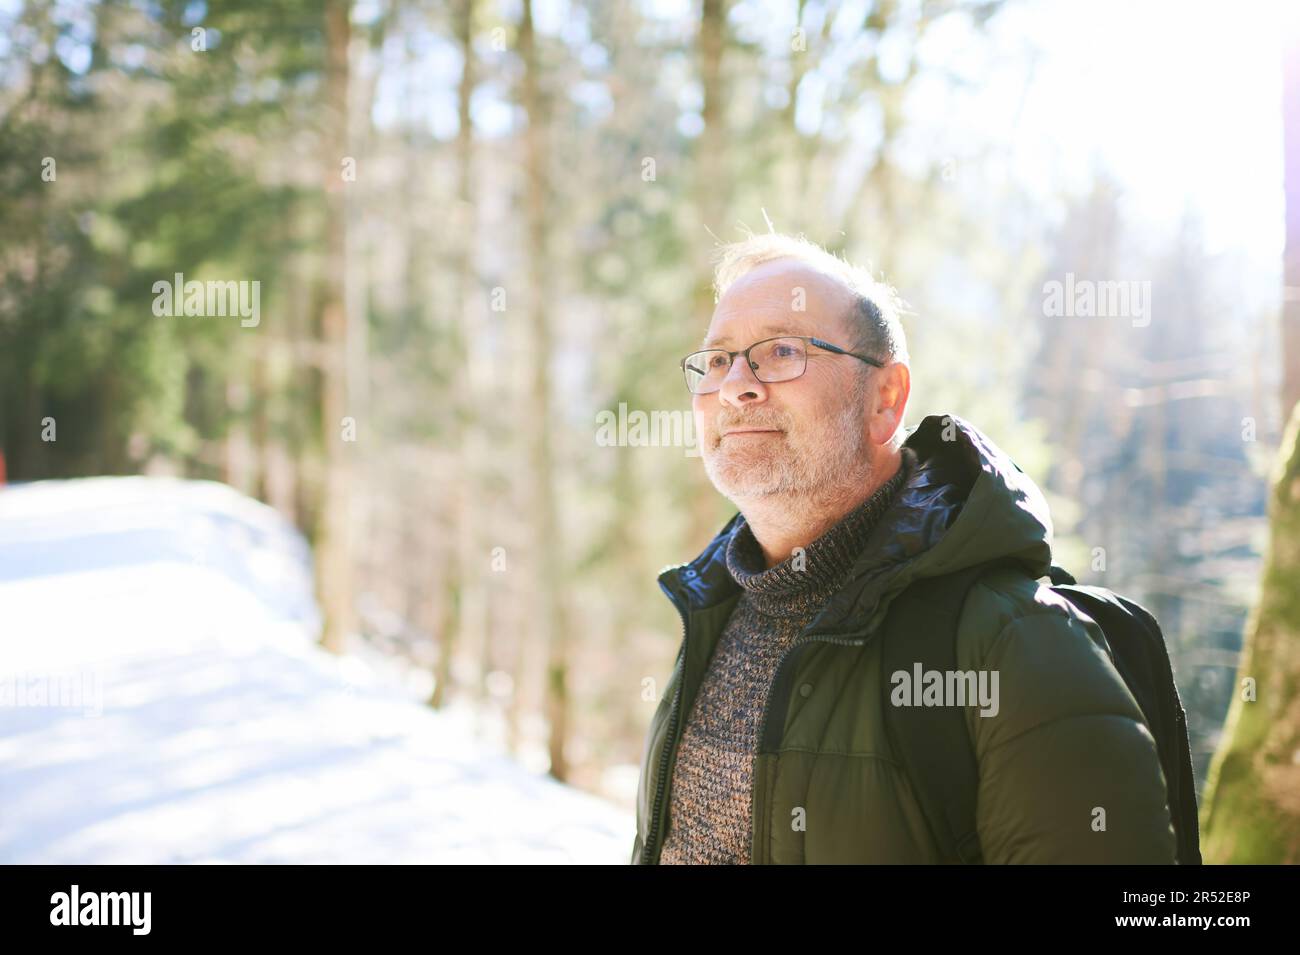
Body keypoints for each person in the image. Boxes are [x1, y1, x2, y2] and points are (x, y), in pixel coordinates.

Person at [631, 231, 1176, 864]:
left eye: (781, 351)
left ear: (885, 399)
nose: (736, 387)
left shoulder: (1017, 643)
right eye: (718, 360)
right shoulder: (712, 608)